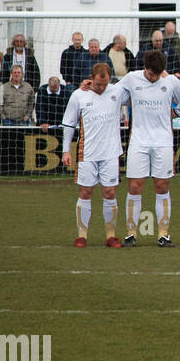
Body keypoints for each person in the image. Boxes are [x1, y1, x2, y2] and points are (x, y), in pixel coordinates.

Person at [105, 50, 180, 247]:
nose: (154, 78)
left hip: (163, 141)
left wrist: (176, 114)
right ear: (145, 68)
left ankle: (163, 234)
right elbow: (112, 95)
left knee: (162, 186)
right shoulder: (131, 78)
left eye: (157, 74)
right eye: (151, 74)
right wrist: (92, 87)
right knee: (135, 186)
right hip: (138, 141)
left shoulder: (170, 81)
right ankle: (131, 233)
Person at [60, 62, 126, 248]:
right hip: (87, 153)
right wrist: (66, 150)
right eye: (98, 84)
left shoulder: (117, 91)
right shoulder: (79, 95)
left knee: (110, 192)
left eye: (105, 84)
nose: (102, 87)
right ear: (92, 78)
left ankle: (111, 235)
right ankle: (82, 235)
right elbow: (68, 124)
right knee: (85, 192)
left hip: (111, 153)